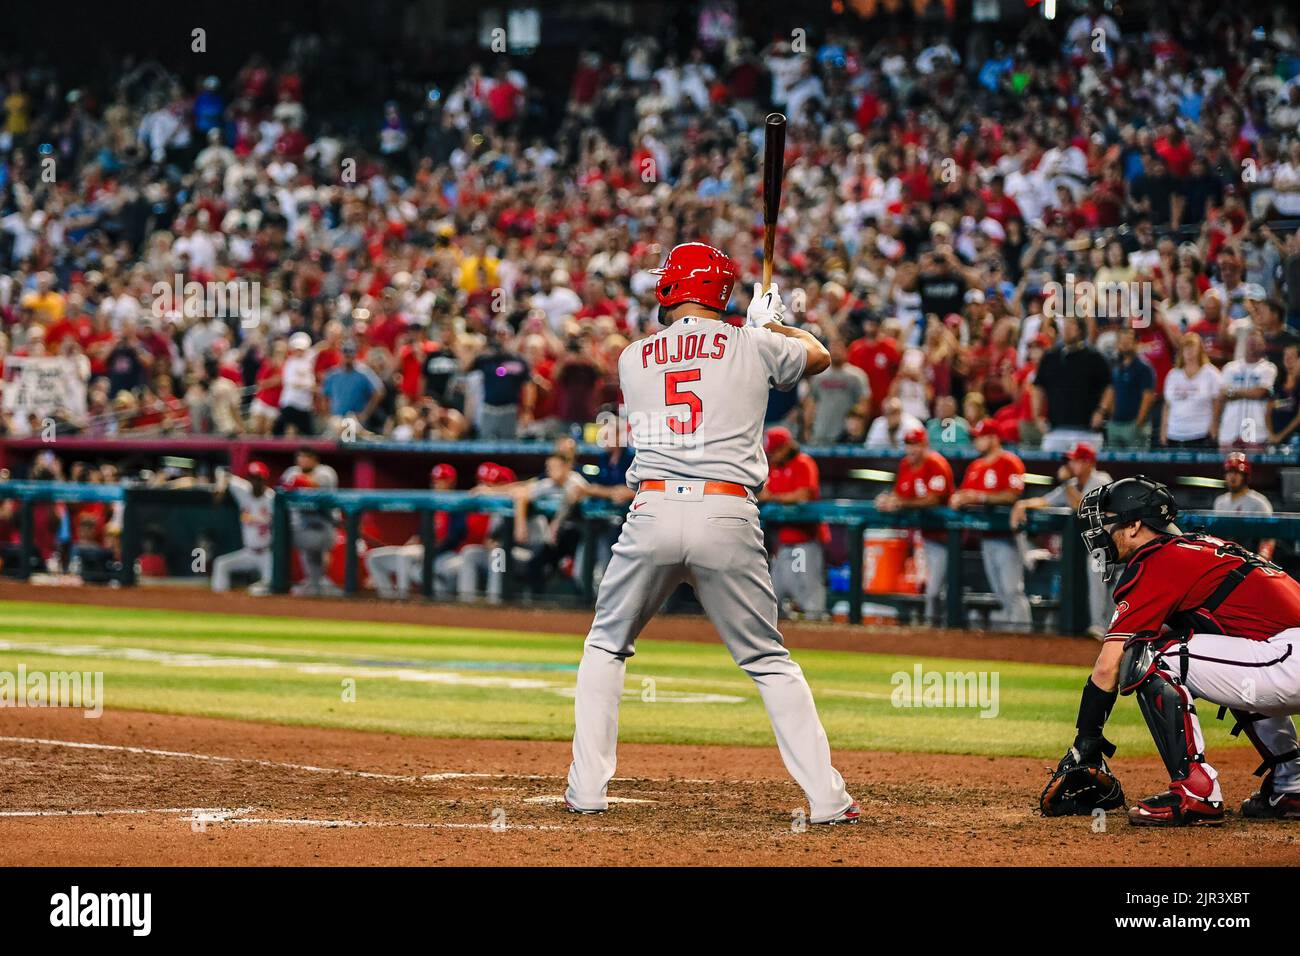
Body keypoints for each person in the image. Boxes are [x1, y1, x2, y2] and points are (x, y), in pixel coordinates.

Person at [565, 241, 858, 824]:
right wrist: (774, 325)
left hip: (649, 512)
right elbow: (820, 357)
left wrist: (755, 335)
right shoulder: (752, 344)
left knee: (604, 645)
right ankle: (827, 800)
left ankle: (587, 792)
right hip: (727, 513)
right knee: (769, 660)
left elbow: (695, 364)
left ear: (675, 288)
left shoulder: (632, 356)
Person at [1056, 477, 1300, 826]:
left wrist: (1086, 741)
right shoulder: (1198, 546)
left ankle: (1196, 791)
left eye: (1109, 523)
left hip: (1289, 660)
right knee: (1215, 658)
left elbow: (1109, 665)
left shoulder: (1157, 560)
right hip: (1285, 655)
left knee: (1151, 655)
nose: (1103, 533)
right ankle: (1291, 784)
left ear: (1135, 525)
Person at [1011, 442, 1113, 638]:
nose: (1070, 465)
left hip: (1116, 544)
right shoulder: (1072, 485)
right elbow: (1045, 501)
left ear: (1088, 462)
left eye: (1075, 461)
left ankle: (1100, 626)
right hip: (1096, 546)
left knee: (1098, 568)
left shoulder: (1101, 480)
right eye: (1071, 461)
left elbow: (1081, 506)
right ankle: (1099, 626)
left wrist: (1067, 484)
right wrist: (1022, 504)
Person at [950, 418, 1031, 628]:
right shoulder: (975, 466)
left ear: (994, 438)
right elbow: (965, 493)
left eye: (981, 437)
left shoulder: (1009, 462)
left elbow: (1013, 495)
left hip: (1008, 535)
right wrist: (959, 498)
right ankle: (1011, 637)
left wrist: (980, 497)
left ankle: (1026, 638)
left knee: (1013, 590)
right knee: (1000, 592)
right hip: (986, 537)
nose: (976, 442)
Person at [875, 427, 954, 624]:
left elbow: (934, 499)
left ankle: (944, 630)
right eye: (908, 445)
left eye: (915, 445)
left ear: (924, 445)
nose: (911, 450)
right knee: (928, 588)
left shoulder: (936, 464)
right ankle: (931, 628)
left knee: (936, 589)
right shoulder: (905, 465)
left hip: (947, 536)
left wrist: (900, 503)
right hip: (924, 536)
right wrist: (887, 500)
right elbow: (900, 494)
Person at [759, 427, 827, 620]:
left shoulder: (803, 463)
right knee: (774, 593)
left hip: (805, 539)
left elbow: (804, 494)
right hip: (783, 542)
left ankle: (820, 635)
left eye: (776, 451)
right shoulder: (774, 468)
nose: (773, 456)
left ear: (787, 446)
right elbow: (763, 493)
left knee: (807, 591)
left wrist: (773, 497)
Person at [1033, 315, 1110, 454]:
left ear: (1081, 329)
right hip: (1056, 430)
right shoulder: (1051, 357)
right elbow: (1038, 387)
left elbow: (1109, 387)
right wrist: (1037, 416)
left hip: (1087, 431)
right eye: (1065, 324)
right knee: (1050, 470)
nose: (1067, 328)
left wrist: (1101, 411)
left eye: (1072, 324)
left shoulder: (1094, 357)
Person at [280, 446, 339, 596]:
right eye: (300, 457)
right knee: (309, 553)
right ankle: (316, 582)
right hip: (302, 524)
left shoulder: (325, 473)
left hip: (325, 522)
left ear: (315, 459)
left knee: (317, 550)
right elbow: (282, 490)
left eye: (307, 457)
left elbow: (316, 487)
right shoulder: (291, 472)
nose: (303, 460)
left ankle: (319, 581)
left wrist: (300, 483)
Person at [211, 461, 275, 594]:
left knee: (263, 590)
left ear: (265, 480)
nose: (256, 482)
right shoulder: (243, 490)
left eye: (259, 479)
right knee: (221, 564)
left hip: (267, 554)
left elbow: (278, 523)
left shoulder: (271, 498)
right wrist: (221, 487)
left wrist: (255, 519)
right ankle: (220, 602)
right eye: (253, 478)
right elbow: (222, 472)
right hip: (248, 553)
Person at [803, 337, 870, 445]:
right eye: (832, 349)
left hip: (845, 434)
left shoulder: (856, 376)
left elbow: (864, 403)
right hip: (821, 431)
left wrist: (858, 427)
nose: (835, 352)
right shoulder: (818, 376)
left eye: (839, 348)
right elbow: (811, 402)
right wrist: (807, 427)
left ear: (845, 350)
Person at [1217, 330, 1276, 448]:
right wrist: (1248, 392)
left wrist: (1233, 392)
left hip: (1256, 431)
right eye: (1250, 343)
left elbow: (1259, 393)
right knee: (1228, 466)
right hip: (1229, 430)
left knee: (1255, 466)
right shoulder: (1230, 367)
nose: (1252, 346)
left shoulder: (1268, 368)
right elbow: (1222, 394)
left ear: (1264, 345)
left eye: (1256, 343)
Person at [1098, 328, 1155, 448]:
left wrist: (1138, 424)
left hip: (1134, 425)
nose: (1125, 343)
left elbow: (1148, 397)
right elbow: (1111, 391)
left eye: (1128, 340)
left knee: (1135, 466)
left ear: (1136, 343)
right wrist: (1107, 415)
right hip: (1116, 424)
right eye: (1122, 340)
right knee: (1114, 465)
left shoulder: (1144, 368)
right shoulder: (1115, 367)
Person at [1161, 332, 1221, 447]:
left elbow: (1217, 402)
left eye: (1192, 346)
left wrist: (1214, 426)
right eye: (1186, 347)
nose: (1189, 350)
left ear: (1200, 350)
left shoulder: (1210, 373)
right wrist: (1163, 431)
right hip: (1174, 433)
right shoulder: (1173, 375)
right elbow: (1167, 406)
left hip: (1200, 433)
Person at [1213, 452, 1275, 562]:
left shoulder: (1259, 502)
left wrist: (1263, 557)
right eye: (1229, 472)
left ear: (1245, 476)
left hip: (1251, 556)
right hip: (1225, 554)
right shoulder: (1220, 501)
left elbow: (1269, 536)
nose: (1232, 476)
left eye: (1237, 473)